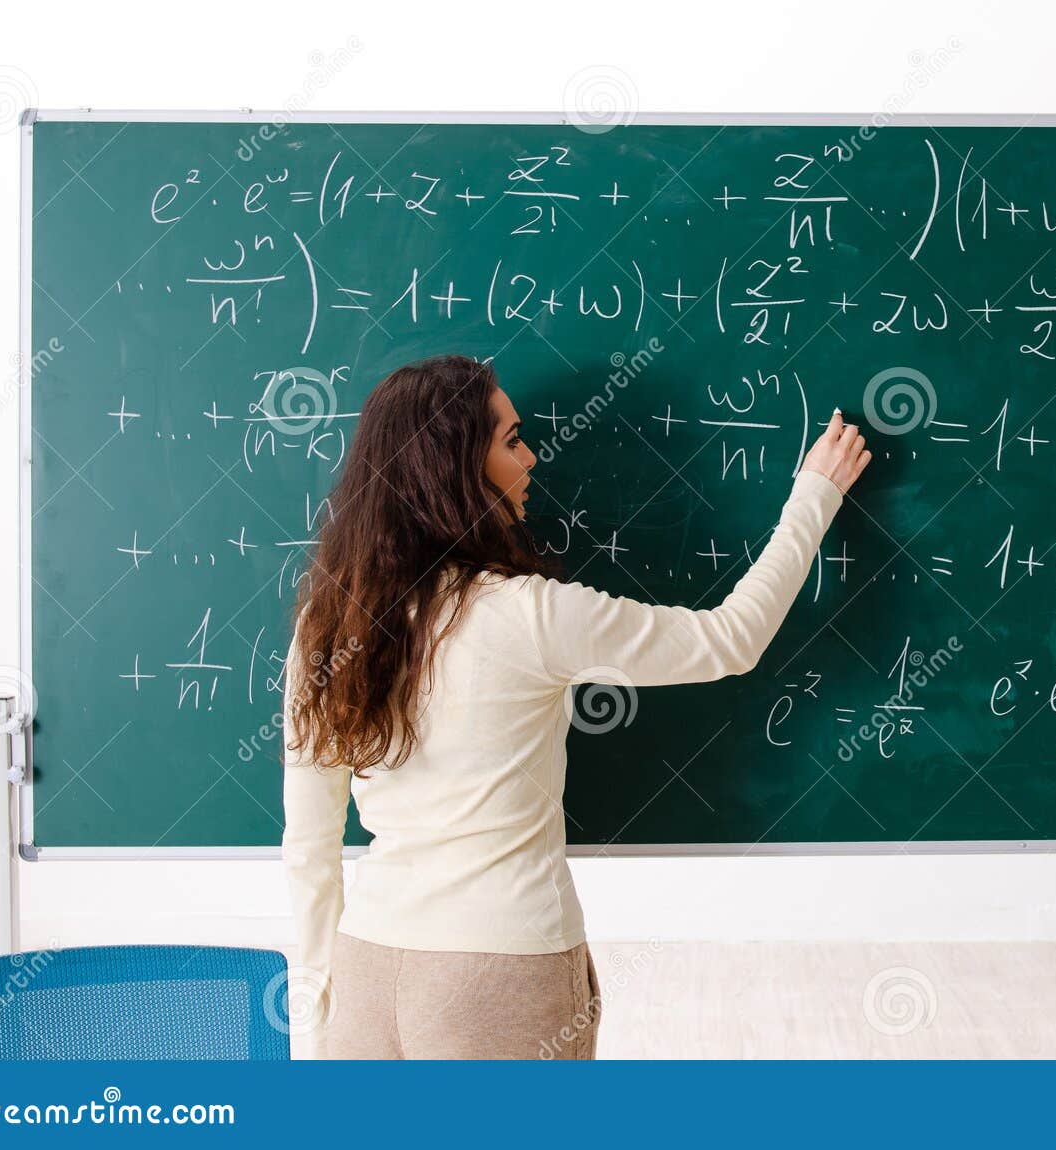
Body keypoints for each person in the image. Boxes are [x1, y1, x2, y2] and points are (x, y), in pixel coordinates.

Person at [280, 354, 871, 1059]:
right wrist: (814, 496)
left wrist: (317, 1011)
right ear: (457, 468)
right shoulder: (526, 614)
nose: (530, 458)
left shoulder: (329, 622)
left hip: (366, 974)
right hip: (497, 968)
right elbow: (729, 641)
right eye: (510, 440)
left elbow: (310, 847)